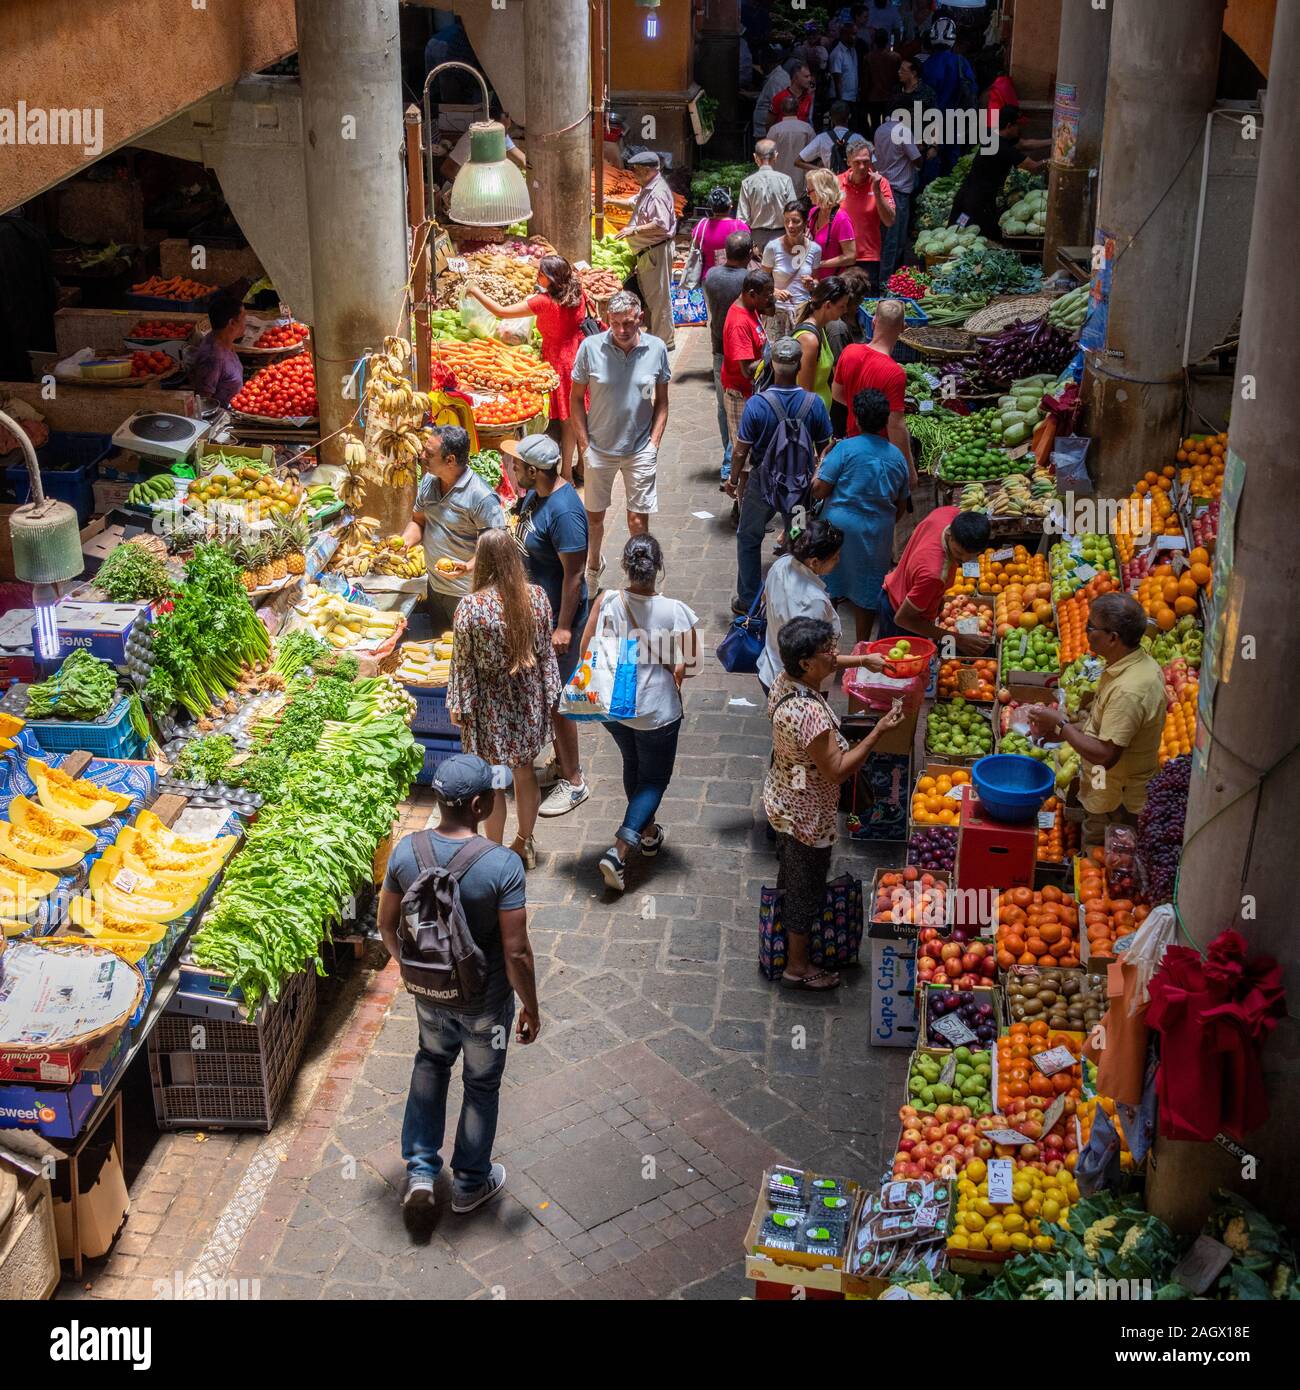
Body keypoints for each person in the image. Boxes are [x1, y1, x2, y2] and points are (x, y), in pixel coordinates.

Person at [376, 753, 539, 1215]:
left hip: (429, 995)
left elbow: (386, 923)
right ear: (480, 804)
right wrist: (531, 1006)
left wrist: (409, 969)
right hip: (485, 1002)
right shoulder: (503, 865)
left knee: (430, 1063)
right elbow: (516, 951)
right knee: (481, 1084)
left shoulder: (408, 851)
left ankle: (422, 1172)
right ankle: (469, 1183)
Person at [764, 617, 905, 991]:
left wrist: (862, 661)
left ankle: (787, 923)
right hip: (806, 813)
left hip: (783, 794)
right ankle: (797, 965)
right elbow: (838, 770)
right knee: (806, 889)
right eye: (827, 651)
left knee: (794, 874)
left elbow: (828, 662)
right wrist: (879, 731)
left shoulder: (786, 681)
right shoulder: (810, 715)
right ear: (807, 663)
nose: (834, 655)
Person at [575, 535, 699, 893]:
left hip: (614, 707)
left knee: (633, 763)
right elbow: (688, 665)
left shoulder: (607, 600)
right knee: (654, 780)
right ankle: (619, 850)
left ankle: (648, 833)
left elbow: (586, 648)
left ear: (625, 566)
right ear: (658, 567)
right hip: (656, 712)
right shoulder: (676, 611)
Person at [448, 529, 560, 868]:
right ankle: (524, 843)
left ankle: (493, 853)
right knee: (524, 772)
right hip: (527, 700)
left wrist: (458, 705)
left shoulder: (470, 608)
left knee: (494, 780)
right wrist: (552, 697)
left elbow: (462, 664)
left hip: (488, 706)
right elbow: (546, 656)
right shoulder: (537, 598)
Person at [1025, 593, 1167, 849]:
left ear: (1113, 637)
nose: (1085, 631)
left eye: (1091, 627)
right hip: (1106, 790)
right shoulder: (1128, 663)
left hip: (1116, 802)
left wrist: (1061, 724)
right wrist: (1059, 733)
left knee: (1101, 866)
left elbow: (1105, 755)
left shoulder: (1129, 690)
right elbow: (1102, 729)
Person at [503, 434, 592, 822]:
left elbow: (574, 575)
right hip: (537, 617)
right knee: (548, 697)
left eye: (518, 466)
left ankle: (574, 781)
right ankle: (560, 762)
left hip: (558, 619)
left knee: (559, 702)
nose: (513, 470)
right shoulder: (533, 497)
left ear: (535, 471)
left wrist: (564, 627)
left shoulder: (566, 512)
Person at [569, 289, 671, 600]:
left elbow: (662, 402)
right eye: (615, 324)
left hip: (640, 450)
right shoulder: (590, 348)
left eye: (628, 323)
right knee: (595, 518)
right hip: (598, 449)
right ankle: (592, 569)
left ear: (639, 318)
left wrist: (653, 445)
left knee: (637, 520)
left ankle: (639, 579)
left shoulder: (656, 349)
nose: (622, 331)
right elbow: (575, 400)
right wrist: (584, 446)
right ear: (606, 321)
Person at [726, 337, 833, 613]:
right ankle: (793, 596)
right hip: (799, 489)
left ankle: (748, 599)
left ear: (772, 365)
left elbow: (740, 451)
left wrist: (733, 480)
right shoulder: (814, 404)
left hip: (763, 483)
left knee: (749, 537)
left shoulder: (757, 404)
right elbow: (825, 449)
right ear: (799, 366)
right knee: (798, 540)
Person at [464, 255, 587, 482]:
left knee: (567, 419)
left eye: (541, 273)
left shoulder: (544, 302)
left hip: (561, 362)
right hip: (579, 353)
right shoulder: (577, 292)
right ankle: (582, 468)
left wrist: (474, 291)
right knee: (578, 413)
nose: (536, 276)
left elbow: (501, 312)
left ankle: (567, 473)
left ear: (551, 278)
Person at [812, 388, 912, 641]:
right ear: (884, 420)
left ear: (856, 418)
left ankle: (828, 645)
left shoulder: (844, 449)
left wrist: (821, 460)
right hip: (877, 530)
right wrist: (883, 522)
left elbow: (819, 490)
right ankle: (862, 649)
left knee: (829, 586)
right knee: (867, 593)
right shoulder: (896, 456)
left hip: (839, 526)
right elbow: (901, 504)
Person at [758, 519, 888, 692]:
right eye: (834, 557)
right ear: (814, 562)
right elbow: (815, 659)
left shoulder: (781, 564)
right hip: (798, 688)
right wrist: (864, 660)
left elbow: (766, 598)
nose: (838, 560)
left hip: (770, 670)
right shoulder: (813, 602)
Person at [403, 425, 506, 632]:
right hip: (435, 587)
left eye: (429, 454)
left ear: (450, 460)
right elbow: (419, 521)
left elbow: (495, 549)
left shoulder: (481, 497)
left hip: (466, 593)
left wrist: (466, 567)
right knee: (439, 649)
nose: (422, 456)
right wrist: (406, 541)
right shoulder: (429, 482)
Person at [879, 504, 991, 653]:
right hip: (899, 620)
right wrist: (957, 639)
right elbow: (903, 619)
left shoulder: (948, 513)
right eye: (958, 553)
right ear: (950, 535)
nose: (963, 560)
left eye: (971, 556)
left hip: (897, 589)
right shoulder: (934, 575)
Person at [832, 298, 915, 487]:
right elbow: (896, 426)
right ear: (903, 327)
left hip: (853, 443)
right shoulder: (894, 373)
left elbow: (837, 393)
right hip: (880, 454)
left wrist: (860, 410)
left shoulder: (849, 352)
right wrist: (909, 473)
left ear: (873, 321)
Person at [949, 106, 1049, 239]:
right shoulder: (1003, 148)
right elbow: (1034, 167)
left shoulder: (994, 135)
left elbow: (1025, 144)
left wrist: (1053, 141)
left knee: (964, 231)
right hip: (975, 203)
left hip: (970, 195)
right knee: (964, 234)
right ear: (1009, 126)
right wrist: (1053, 161)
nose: (1019, 130)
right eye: (1017, 126)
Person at [704, 231, 754, 484]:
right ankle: (735, 458)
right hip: (743, 351)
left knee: (723, 408)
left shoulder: (712, 276)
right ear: (749, 254)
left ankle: (728, 458)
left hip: (719, 348)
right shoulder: (749, 281)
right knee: (743, 406)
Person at [614, 150, 677, 348]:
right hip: (649, 252)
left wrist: (633, 230)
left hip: (655, 252)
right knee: (653, 297)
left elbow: (661, 224)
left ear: (648, 170)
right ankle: (657, 336)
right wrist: (609, 201)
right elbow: (634, 204)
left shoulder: (657, 193)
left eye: (637, 171)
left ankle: (663, 342)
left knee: (659, 299)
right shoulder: (649, 186)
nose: (634, 175)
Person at [721, 269, 776, 470]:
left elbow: (770, 310)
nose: (770, 298)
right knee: (744, 456)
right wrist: (772, 356)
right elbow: (746, 370)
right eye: (766, 295)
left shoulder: (751, 306)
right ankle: (740, 494)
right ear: (751, 294)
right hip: (739, 394)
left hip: (751, 393)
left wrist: (770, 298)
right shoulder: (739, 323)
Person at [921, 16, 977, 173]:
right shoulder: (960, 62)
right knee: (952, 160)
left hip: (929, 121)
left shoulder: (926, 65)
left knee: (932, 158)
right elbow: (972, 90)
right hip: (955, 119)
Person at [837, 139, 895, 292]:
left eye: (866, 162)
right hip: (840, 256)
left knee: (866, 303)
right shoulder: (836, 183)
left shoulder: (881, 183)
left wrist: (876, 191)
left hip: (868, 257)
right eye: (857, 162)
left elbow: (889, 220)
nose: (862, 167)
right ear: (848, 161)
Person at [762, 202, 822, 340]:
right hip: (777, 312)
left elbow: (816, 279)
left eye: (795, 221)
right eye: (787, 221)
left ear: (805, 222)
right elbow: (762, 280)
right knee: (775, 356)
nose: (790, 225)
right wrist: (775, 292)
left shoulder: (815, 249)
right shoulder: (772, 247)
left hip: (803, 312)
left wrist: (812, 284)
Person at [872, 111, 921, 278]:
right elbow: (916, 158)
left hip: (884, 188)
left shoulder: (880, 130)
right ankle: (887, 281)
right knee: (894, 240)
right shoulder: (902, 130)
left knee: (887, 239)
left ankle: (888, 279)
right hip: (898, 190)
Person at [791, 276, 851, 412]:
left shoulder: (821, 329)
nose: (845, 310)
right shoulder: (809, 341)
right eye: (842, 306)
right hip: (812, 422)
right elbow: (804, 394)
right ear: (828, 305)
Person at [187, 288, 245, 406]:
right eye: (244, 318)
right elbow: (203, 401)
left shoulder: (223, 341)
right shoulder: (213, 356)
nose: (246, 323)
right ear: (232, 323)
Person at [738, 140, 798, 254]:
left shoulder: (747, 183)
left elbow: (742, 219)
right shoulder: (785, 180)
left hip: (756, 239)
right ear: (776, 156)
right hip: (782, 237)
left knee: (757, 271)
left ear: (755, 157)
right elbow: (794, 212)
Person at [805, 168, 857, 278]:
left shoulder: (841, 219)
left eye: (809, 191)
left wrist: (820, 264)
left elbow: (850, 257)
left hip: (833, 283)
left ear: (822, 191)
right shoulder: (813, 213)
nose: (808, 195)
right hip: (812, 281)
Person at [690, 187, 749, 275]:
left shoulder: (702, 225)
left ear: (711, 207)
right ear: (730, 206)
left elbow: (695, 248)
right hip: (735, 277)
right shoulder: (739, 226)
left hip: (708, 277)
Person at [797, 101, 864, 178]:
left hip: (832, 182)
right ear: (849, 116)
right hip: (852, 182)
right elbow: (871, 164)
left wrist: (823, 171)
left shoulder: (821, 138)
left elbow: (798, 162)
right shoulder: (858, 138)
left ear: (831, 118)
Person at [442, 123, 526, 182]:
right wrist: (465, 190)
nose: (510, 123)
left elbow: (522, 160)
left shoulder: (501, 135)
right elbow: (446, 169)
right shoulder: (472, 139)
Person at [767, 97, 817, 191]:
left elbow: (767, 155)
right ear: (798, 109)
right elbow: (815, 154)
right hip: (802, 182)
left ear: (781, 109)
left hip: (779, 183)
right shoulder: (807, 128)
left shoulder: (774, 130)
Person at [753, 52, 791, 138]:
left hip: (769, 130)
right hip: (765, 129)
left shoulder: (777, 79)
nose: (761, 67)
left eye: (763, 63)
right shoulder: (775, 77)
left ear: (770, 64)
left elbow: (777, 105)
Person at [770, 59, 815, 127]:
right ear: (795, 78)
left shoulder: (808, 97)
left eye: (809, 76)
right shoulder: (780, 97)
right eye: (806, 77)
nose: (809, 79)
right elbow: (769, 123)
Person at [827, 24, 861, 109]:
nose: (855, 37)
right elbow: (837, 79)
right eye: (853, 34)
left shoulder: (853, 50)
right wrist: (840, 103)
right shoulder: (837, 54)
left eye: (856, 34)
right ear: (844, 35)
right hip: (841, 99)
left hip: (852, 98)